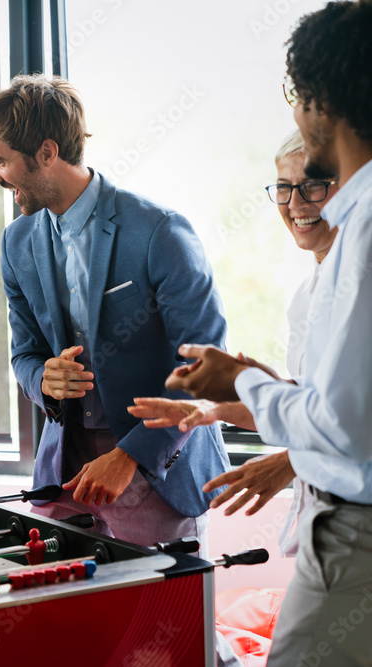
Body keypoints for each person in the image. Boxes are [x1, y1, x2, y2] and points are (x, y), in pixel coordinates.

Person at [163, 3, 372, 664]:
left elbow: (340, 424)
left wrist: (243, 380)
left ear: (318, 101)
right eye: (282, 190)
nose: (297, 204)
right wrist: (233, 399)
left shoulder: (362, 230)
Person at [0, 74, 230, 550]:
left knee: (162, 622)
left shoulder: (160, 232)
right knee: (65, 619)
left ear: (47, 152)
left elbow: (204, 368)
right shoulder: (16, 242)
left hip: (157, 471)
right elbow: (24, 353)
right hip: (63, 476)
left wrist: (131, 455)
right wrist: (42, 379)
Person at [128, 130, 338, 557]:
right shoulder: (306, 294)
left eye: (313, 186)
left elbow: (355, 417)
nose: (296, 204)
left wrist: (291, 463)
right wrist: (212, 409)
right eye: (284, 188)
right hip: (321, 525)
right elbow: (313, 408)